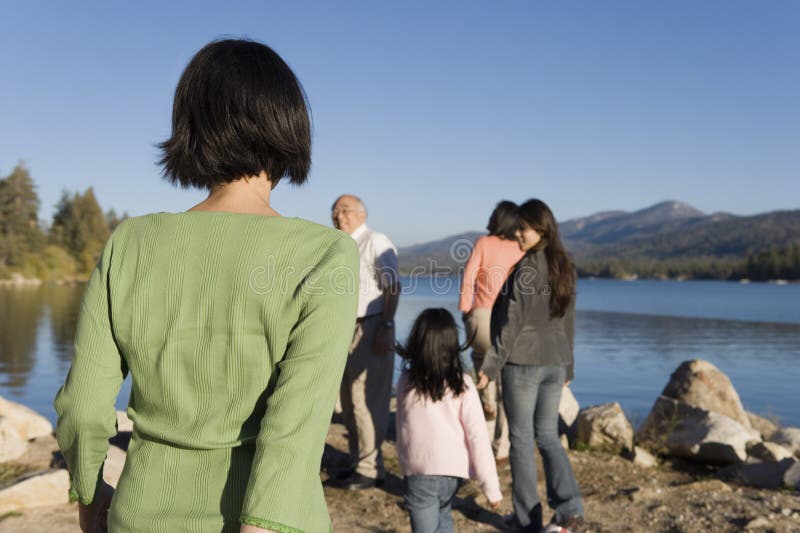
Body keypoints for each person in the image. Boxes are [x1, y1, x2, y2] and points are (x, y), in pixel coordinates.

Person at [54, 39, 360, 533]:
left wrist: (90, 494)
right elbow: (295, 429)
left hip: (140, 513)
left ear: (191, 127)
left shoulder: (132, 242)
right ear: (289, 126)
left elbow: (85, 403)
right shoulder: (325, 254)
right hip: (269, 520)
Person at [478, 199, 584, 533]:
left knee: (522, 440)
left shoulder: (527, 268)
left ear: (541, 229)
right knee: (548, 436)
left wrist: (489, 366)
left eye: (523, 228)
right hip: (555, 360)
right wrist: (568, 366)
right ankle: (569, 508)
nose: (517, 234)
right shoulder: (564, 265)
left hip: (523, 363)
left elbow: (511, 323)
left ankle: (527, 520)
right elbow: (568, 320)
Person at [396, 308, 502, 533]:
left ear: (417, 343)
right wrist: (491, 488)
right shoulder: (463, 385)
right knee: (443, 515)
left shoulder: (406, 382)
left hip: (419, 473)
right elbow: (478, 437)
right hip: (453, 474)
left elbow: (402, 429)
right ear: (453, 345)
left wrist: (404, 464)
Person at [331, 194, 400, 489]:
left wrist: (385, 324)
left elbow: (393, 286)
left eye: (344, 210)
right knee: (347, 401)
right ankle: (355, 460)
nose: (338, 216)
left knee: (365, 400)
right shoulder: (341, 245)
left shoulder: (375, 240)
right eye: (334, 211)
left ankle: (371, 469)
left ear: (361, 213)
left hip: (371, 326)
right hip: (343, 329)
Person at [459, 200, 524, 463]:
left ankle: (485, 401)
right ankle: (503, 446)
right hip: (508, 320)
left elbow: (468, 278)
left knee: (480, 365)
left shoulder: (483, 243)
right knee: (506, 379)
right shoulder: (521, 248)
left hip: (481, 316)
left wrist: (466, 311)